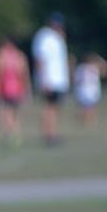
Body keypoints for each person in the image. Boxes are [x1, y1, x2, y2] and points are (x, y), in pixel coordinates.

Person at [32, 12, 70, 146]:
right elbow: (40, 59)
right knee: (49, 107)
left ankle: (52, 132)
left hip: (58, 80)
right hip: (49, 80)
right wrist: (43, 80)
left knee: (54, 107)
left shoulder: (58, 38)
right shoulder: (44, 36)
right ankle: (47, 134)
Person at [0, 37, 29, 141]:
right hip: (18, 88)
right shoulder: (20, 56)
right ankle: (15, 132)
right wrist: (27, 89)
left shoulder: (1, 55)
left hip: (5, 87)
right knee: (15, 112)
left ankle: (11, 133)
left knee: (6, 111)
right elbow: (24, 74)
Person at [74, 53, 107, 128]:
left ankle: (86, 121)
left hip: (88, 91)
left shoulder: (88, 68)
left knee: (89, 108)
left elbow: (106, 71)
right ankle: (88, 122)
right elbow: (106, 70)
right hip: (87, 91)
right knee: (89, 108)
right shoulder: (91, 68)